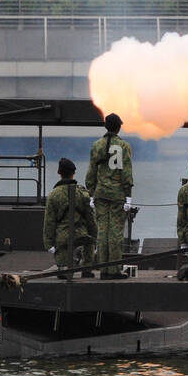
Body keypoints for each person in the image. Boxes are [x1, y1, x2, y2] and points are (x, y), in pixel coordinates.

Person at [85, 112, 133, 277]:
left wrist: (91, 193)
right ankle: (113, 270)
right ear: (119, 127)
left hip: (100, 194)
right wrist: (128, 196)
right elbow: (126, 173)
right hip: (118, 195)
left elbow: (91, 172)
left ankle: (103, 269)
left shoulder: (96, 145)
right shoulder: (124, 146)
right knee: (115, 233)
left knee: (102, 232)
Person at [43, 157, 97, 278]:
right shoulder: (83, 193)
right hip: (81, 233)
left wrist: (49, 243)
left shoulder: (53, 195)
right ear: (73, 173)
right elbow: (90, 218)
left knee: (62, 247)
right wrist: (95, 236)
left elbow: (49, 221)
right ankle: (86, 268)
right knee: (88, 241)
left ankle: (63, 268)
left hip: (63, 235)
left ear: (59, 172)